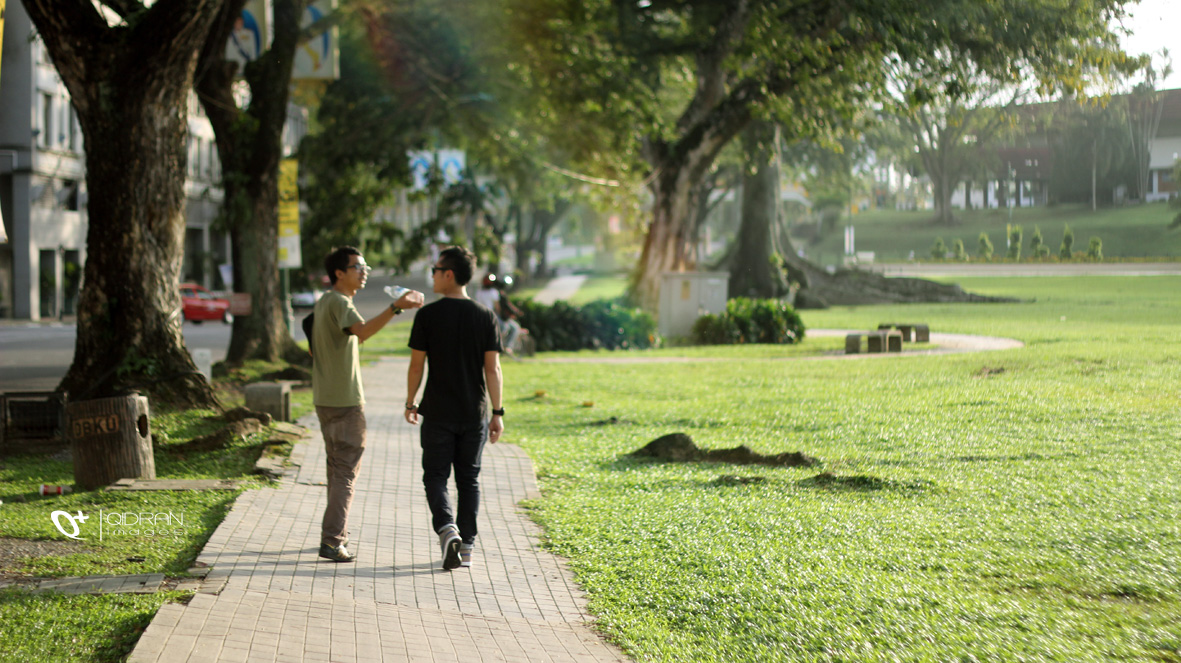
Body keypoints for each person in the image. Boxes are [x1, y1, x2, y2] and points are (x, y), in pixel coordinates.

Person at [312, 246, 424, 562]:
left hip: (324, 399)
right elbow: (361, 332)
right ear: (339, 273)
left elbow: (312, 332)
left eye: (366, 267)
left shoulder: (325, 302)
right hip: (345, 402)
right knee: (346, 471)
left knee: (336, 470)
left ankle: (333, 533)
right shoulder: (339, 302)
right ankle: (332, 541)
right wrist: (396, 308)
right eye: (358, 267)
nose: (364, 272)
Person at [405, 246, 504, 570]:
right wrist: (497, 413)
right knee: (468, 480)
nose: (432, 275)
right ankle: (467, 547)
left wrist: (411, 401)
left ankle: (448, 529)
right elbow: (493, 370)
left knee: (435, 475)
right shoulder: (485, 316)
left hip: (437, 412)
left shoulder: (428, 315)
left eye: (435, 270)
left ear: (449, 274)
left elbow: (416, 366)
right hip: (473, 412)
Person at [474, 274, 522, 355]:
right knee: (507, 327)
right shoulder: (494, 292)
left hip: (480, 316)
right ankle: (505, 346)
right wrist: (502, 315)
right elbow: (497, 308)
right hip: (491, 316)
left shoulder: (479, 292)